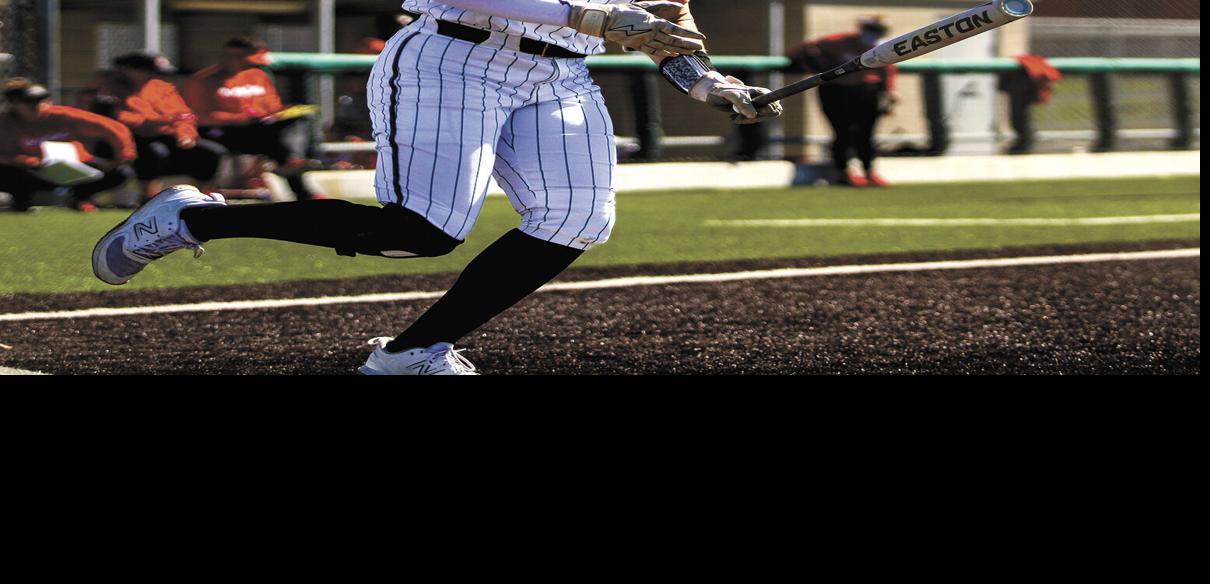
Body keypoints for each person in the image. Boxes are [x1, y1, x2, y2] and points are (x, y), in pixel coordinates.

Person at [92, 0, 782, 375]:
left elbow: (667, 20)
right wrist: (591, 18)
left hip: (560, 76)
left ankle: (407, 356)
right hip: (455, 57)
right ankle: (195, 220)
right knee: (423, 230)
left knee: (576, 218)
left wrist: (709, 83)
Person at [184, 37, 312, 200]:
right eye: (231, 56)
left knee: (296, 122)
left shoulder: (258, 76)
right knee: (278, 145)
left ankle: (296, 170)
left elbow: (273, 106)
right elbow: (199, 116)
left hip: (257, 129)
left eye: (241, 57)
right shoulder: (205, 79)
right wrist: (239, 118)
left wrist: (280, 113)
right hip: (223, 132)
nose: (235, 61)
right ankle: (290, 162)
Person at [790, 16, 899, 187]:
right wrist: (821, 66)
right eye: (872, 29)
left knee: (866, 134)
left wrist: (890, 91)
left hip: (866, 92)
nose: (874, 34)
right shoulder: (837, 42)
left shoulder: (880, 46)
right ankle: (843, 171)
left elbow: (888, 69)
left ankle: (869, 170)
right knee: (843, 133)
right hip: (837, 92)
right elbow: (805, 50)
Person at [1, 79, 136, 212]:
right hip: (31, 171)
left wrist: (124, 155)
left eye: (40, 100)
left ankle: (79, 198)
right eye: (29, 102)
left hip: (73, 169)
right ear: (15, 104)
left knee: (120, 173)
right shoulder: (5, 123)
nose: (37, 106)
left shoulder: (61, 115)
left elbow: (113, 128)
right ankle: (22, 201)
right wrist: (25, 160)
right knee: (8, 174)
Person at [111, 52, 229, 199]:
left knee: (212, 152)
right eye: (147, 71)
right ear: (131, 70)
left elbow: (184, 115)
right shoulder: (114, 90)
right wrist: (164, 120)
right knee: (155, 152)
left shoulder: (161, 87)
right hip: (132, 139)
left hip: (167, 135)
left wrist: (186, 134)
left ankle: (198, 196)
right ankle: (147, 197)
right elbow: (125, 119)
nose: (152, 75)